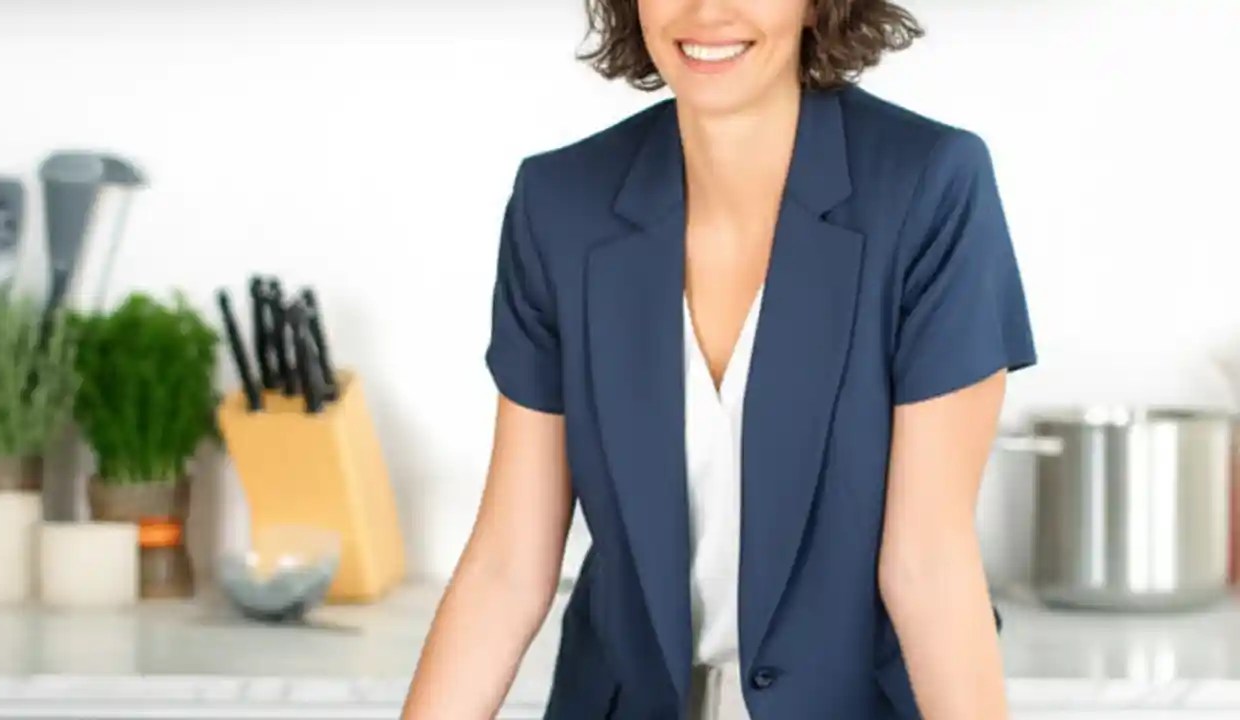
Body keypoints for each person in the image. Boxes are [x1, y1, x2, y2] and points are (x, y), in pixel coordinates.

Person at [402, 0, 1035, 717]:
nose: (706, 10)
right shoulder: (560, 204)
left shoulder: (927, 187)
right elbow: (507, 567)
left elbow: (928, 566)